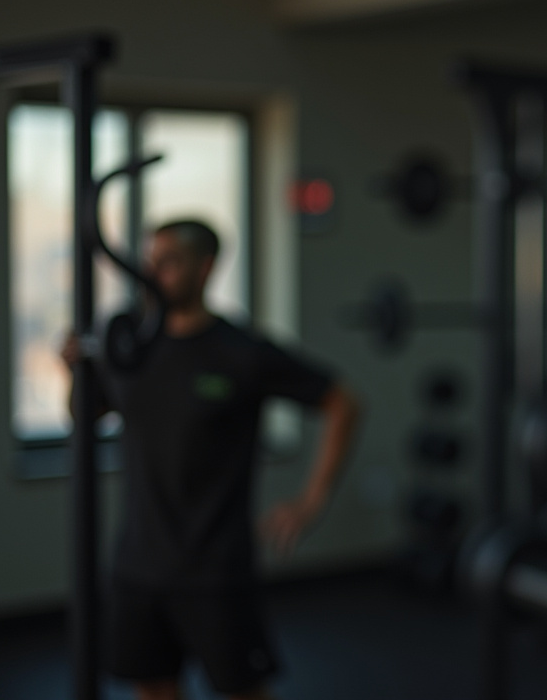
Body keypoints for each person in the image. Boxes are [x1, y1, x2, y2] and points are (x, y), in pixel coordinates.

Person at [62, 219, 360, 700]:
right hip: (137, 565)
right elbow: (85, 416)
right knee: (155, 688)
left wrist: (312, 499)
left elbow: (343, 402)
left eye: (169, 262)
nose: (154, 273)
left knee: (242, 691)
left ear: (206, 267)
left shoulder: (241, 352)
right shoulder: (134, 346)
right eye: (151, 261)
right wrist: (74, 372)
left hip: (215, 570)